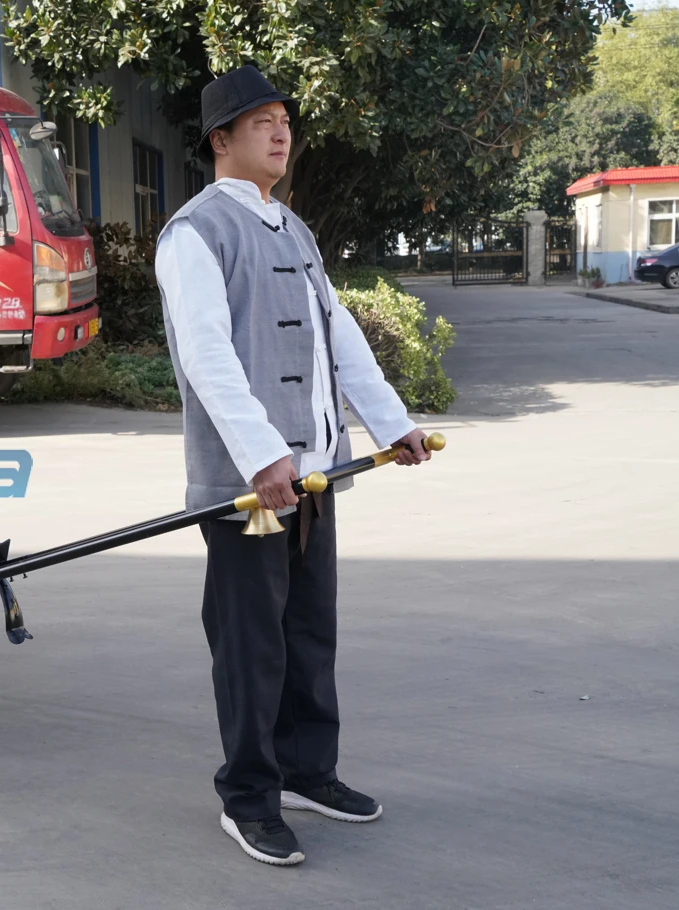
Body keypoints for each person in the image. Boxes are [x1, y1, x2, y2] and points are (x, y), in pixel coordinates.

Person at [155, 64, 432, 867]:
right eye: (263, 121)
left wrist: (391, 424)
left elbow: (337, 336)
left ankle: (310, 771)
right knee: (251, 645)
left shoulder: (295, 229)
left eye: (285, 121)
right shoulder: (195, 232)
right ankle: (248, 797)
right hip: (251, 485)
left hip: (318, 473)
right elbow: (206, 355)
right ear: (221, 139)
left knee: (310, 632)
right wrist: (260, 456)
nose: (282, 134)